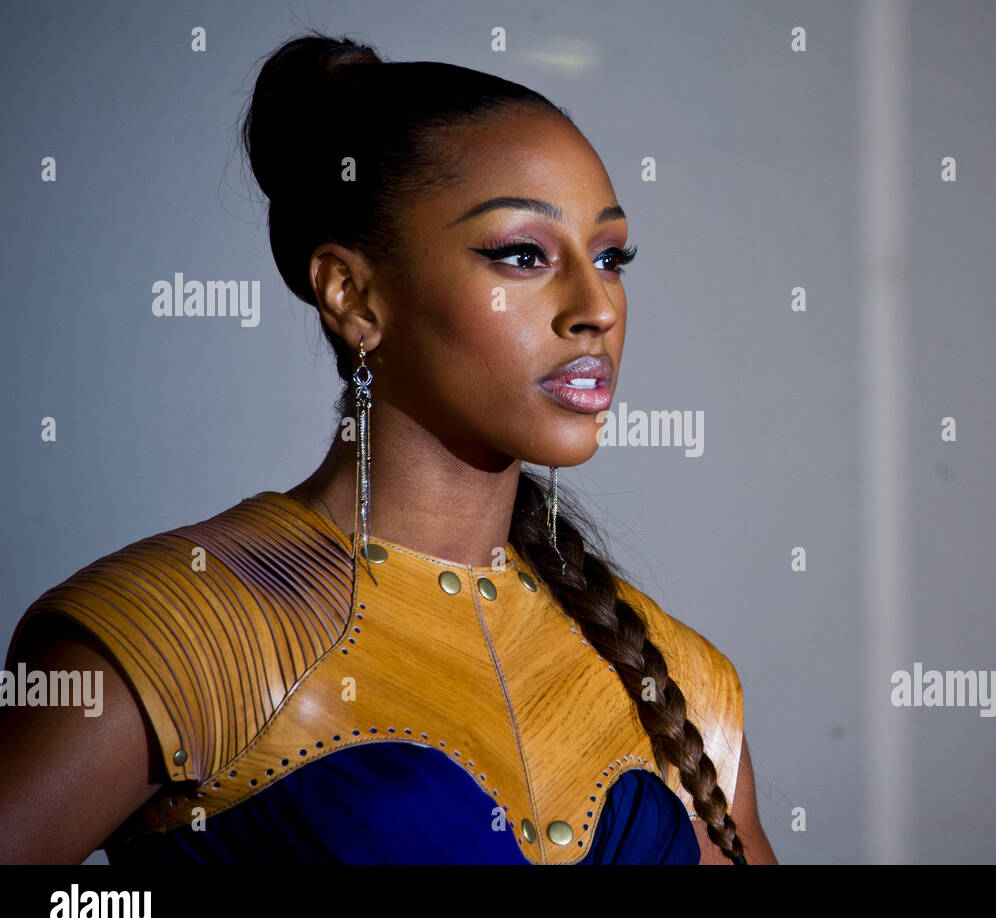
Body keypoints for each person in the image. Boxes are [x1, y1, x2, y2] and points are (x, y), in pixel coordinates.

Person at [0, 32, 776, 865]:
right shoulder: (173, 628)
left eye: (610, 256)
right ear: (352, 293)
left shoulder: (678, 680)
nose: (597, 307)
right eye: (523, 254)